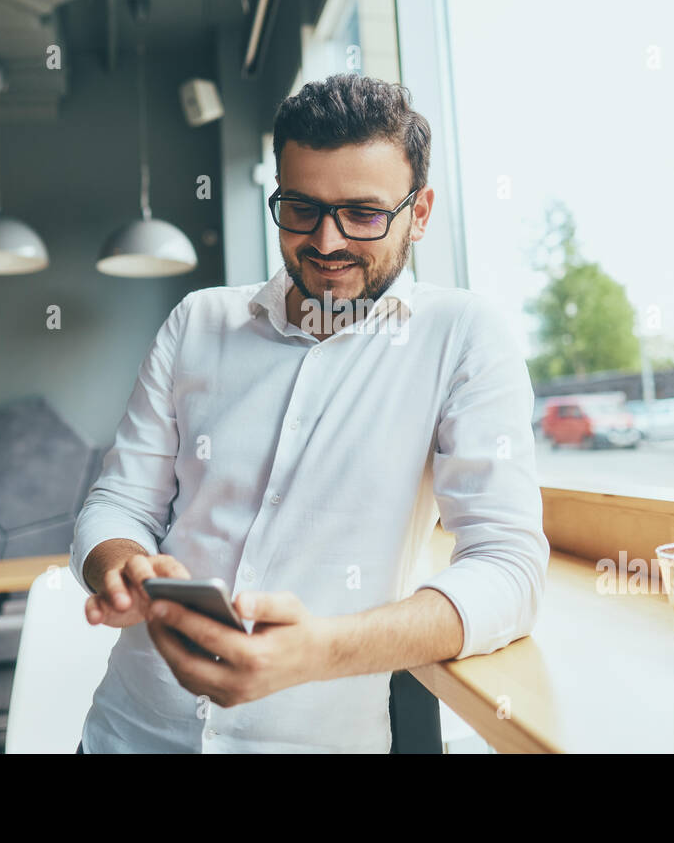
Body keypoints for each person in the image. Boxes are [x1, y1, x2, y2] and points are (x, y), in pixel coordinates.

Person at [71, 72, 549, 753]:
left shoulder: (463, 337)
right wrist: (122, 567)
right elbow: (120, 502)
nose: (326, 242)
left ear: (420, 211)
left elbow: (508, 569)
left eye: (363, 214)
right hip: (130, 732)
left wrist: (320, 651)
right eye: (301, 209)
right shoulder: (198, 322)